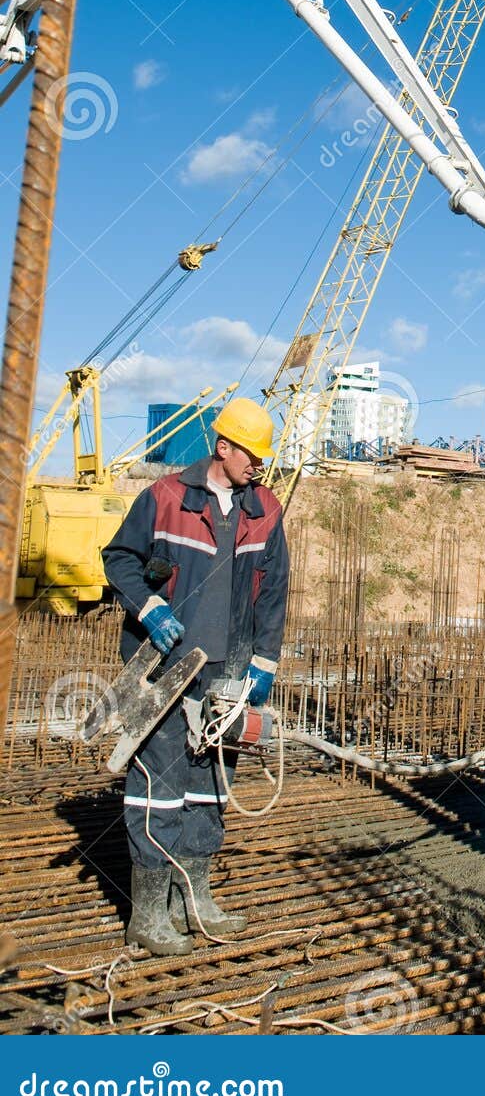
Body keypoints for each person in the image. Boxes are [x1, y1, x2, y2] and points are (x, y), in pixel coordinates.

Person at [102, 397, 289, 956]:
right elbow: (119, 560)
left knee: (208, 788)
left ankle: (195, 899)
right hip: (163, 671)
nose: (260, 466)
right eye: (252, 455)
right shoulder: (163, 498)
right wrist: (148, 608)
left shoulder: (266, 511)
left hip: (224, 675)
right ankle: (149, 914)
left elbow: (274, 593)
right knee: (158, 789)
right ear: (224, 446)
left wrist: (262, 664)